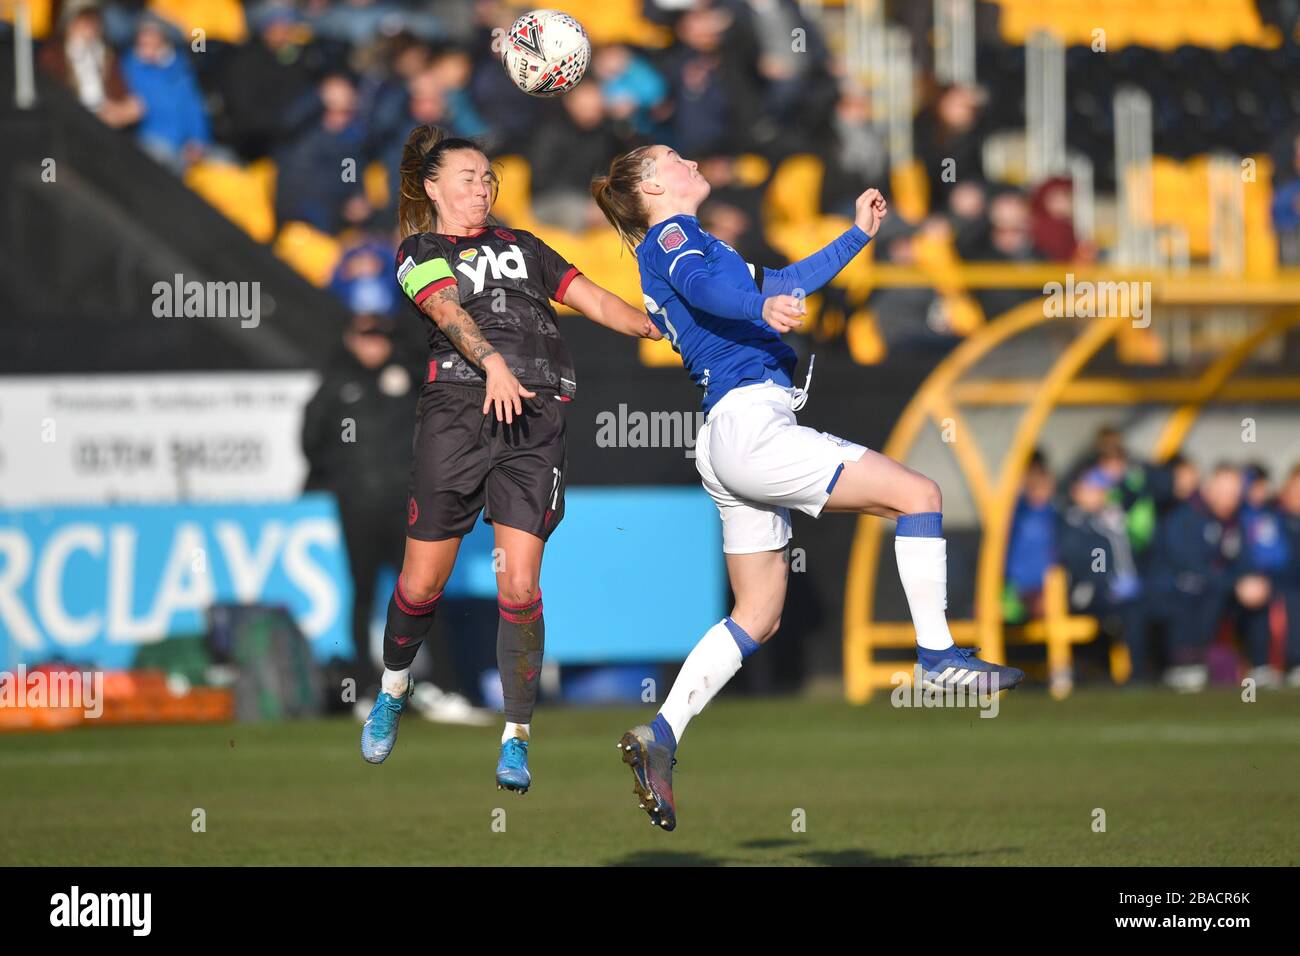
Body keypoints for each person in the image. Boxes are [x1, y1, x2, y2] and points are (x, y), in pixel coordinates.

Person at [591, 144, 1023, 831]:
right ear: (651, 183)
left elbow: (785, 279)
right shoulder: (672, 234)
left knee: (758, 614)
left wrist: (856, 236)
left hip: (726, 439)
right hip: (752, 423)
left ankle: (662, 735)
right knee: (920, 495)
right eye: (674, 157)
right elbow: (714, 295)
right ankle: (938, 654)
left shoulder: (696, 241)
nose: (692, 160)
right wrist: (762, 304)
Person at [361, 126, 659, 794]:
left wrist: (654, 325)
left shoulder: (523, 247)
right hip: (459, 412)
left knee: (519, 587)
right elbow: (446, 311)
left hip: (535, 414)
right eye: (467, 176)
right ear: (433, 186)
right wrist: (493, 363)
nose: (481, 187)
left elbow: (593, 299)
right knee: (421, 585)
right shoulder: (420, 250)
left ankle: (516, 738)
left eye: (488, 178)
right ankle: (392, 688)